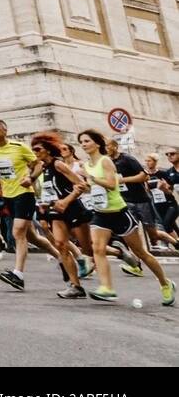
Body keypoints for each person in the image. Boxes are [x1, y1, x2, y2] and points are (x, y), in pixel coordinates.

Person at [78, 129, 174, 305]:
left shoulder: (105, 161)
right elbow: (95, 188)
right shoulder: (87, 165)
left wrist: (91, 178)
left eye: (87, 141)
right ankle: (107, 288)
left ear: (97, 143)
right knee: (98, 249)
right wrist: (84, 188)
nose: (83, 144)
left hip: (119, 213)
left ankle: (165, 283)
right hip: (101, 214)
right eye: (81, 142)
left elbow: (111, 184)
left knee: (141, 253)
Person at [0, 119, 58, 292]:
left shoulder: (19, 147)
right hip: (7, 195)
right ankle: (63, 258)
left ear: (4, 129)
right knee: (32, 237)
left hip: (24, 194)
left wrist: (30, 178)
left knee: (17, 232)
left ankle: (18, 275)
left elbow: (38, 164)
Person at [29, 133, 92, 299]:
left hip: (73, 209)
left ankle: (119, 252)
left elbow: (82, 185)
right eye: (33, 149)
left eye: (38, 149)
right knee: (61, 245)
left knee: (89, 249)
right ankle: (75, 286)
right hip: (55, 212)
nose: (35, 152)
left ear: (48, 150)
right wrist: (43, 202)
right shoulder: (43, 167)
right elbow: (46, 187)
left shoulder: (59, 165)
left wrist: (65, 201)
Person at [108, 138, 177, 251]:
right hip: (126, 201)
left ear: (115, 146)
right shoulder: (107, 162)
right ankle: (137, 260)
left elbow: (144, 176)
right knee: (131, 232)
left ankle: (176, 243)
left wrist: (123, 180)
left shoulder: (127, 158)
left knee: (153, 234)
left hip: (141, 201)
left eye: (108, 146)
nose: (106, 148)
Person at [146, 152, 178, 238]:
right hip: (158, 205)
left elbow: (170, 191)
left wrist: (163, 188)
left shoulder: (163, 173)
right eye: (146, 161)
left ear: (155, 162)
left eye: (149, 161)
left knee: (166, 224)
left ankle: (177, 244)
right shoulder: (145, 175)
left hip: (170, 203)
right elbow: (147, 191)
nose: (147, 163)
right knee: (172, 225)